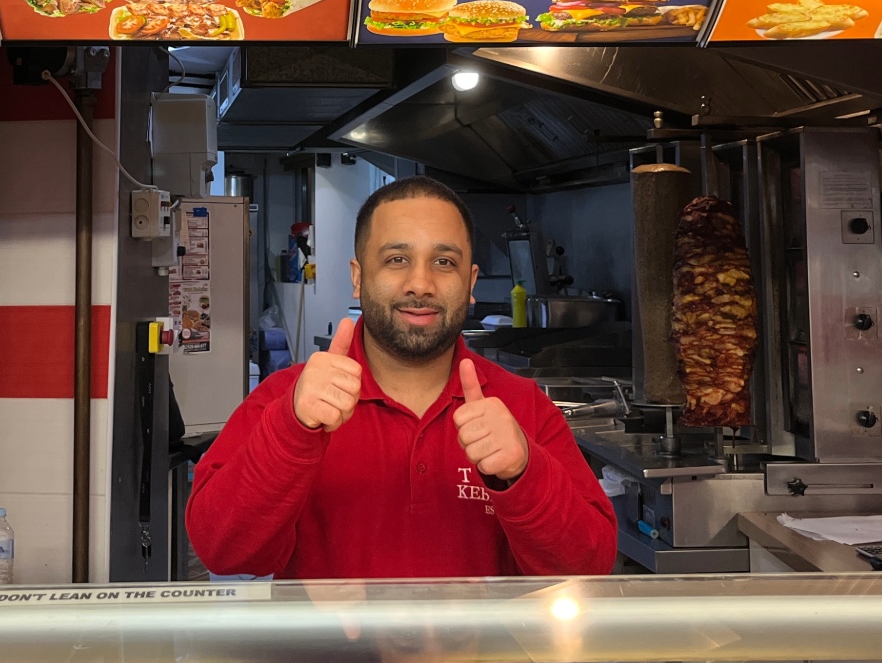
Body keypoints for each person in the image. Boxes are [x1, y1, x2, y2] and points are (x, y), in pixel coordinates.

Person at [187, 176, 618, 579]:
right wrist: (292, 431)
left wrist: (525, 471)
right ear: (359, 278)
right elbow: (222, 551)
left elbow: (588, 567)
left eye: (444, 262)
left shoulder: (521, 407)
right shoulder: (288, 400)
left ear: (469, 283)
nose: (420, 283)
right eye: (397, 259)